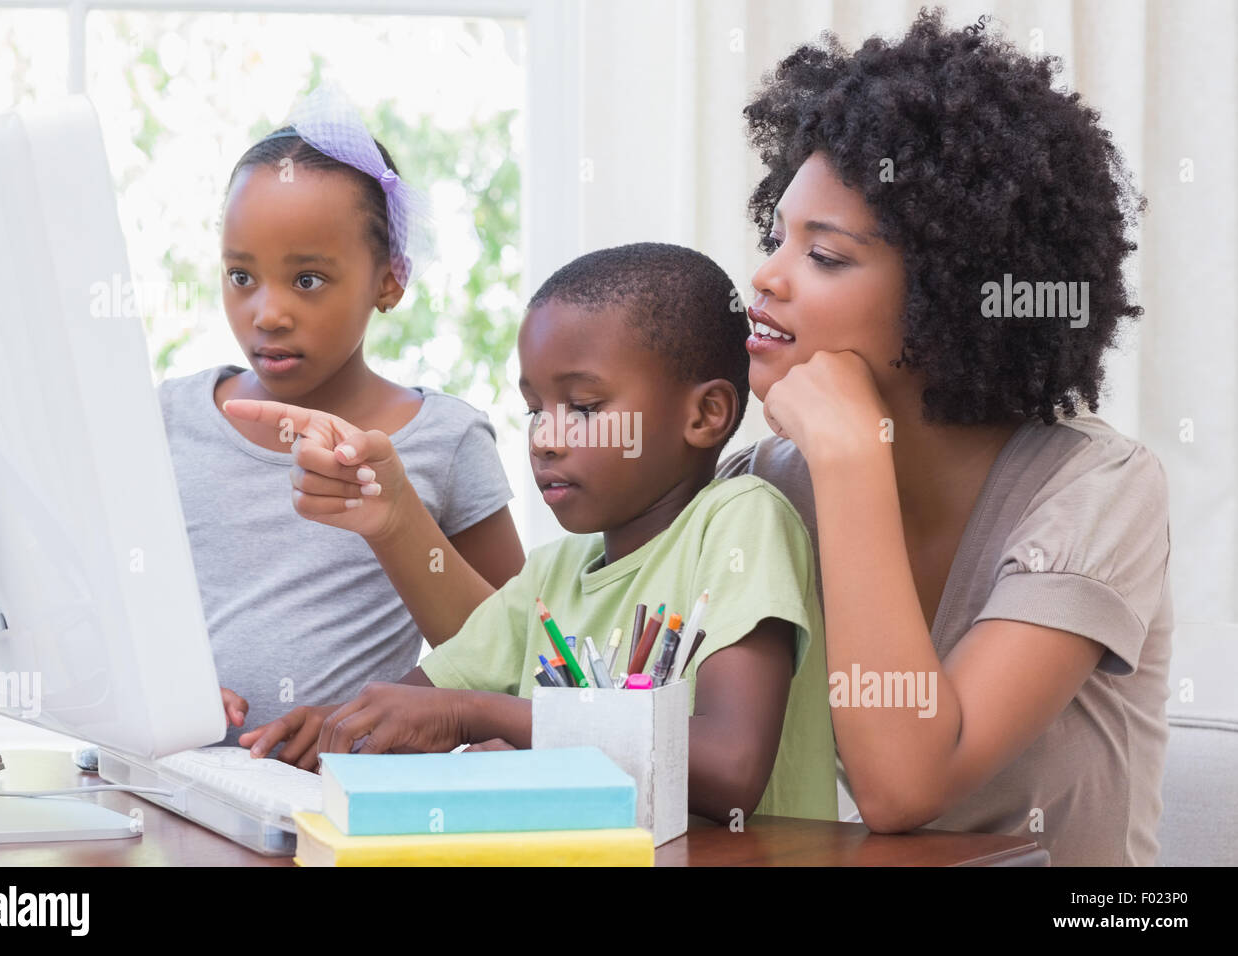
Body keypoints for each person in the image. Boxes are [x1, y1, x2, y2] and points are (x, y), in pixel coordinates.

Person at [720, 9, 1171, 864]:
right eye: (779, 239)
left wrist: (853, 457)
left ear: (953, 297)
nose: (766, 277)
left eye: (827, 256)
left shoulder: (1100, 490)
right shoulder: (762, 487)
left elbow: (904, 784)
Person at [227, 243, 837, 822]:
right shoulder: (551, 574)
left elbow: (730, 765)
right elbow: (419, 708)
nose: (545, 437)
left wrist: (473, 716)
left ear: (705, 415)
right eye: (534, 410)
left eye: (585, 408)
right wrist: (337, 728)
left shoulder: (742, 520)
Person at [158, 84, 524, 746]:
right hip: (179, 784)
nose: (267, 313)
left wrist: (399, 523)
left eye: (306, 280)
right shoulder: (167, 419)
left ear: (389, 279)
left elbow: (516, 663)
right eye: (241, 276)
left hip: (347, 807)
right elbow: (102, 614)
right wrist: (164, 688)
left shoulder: (446, 440)